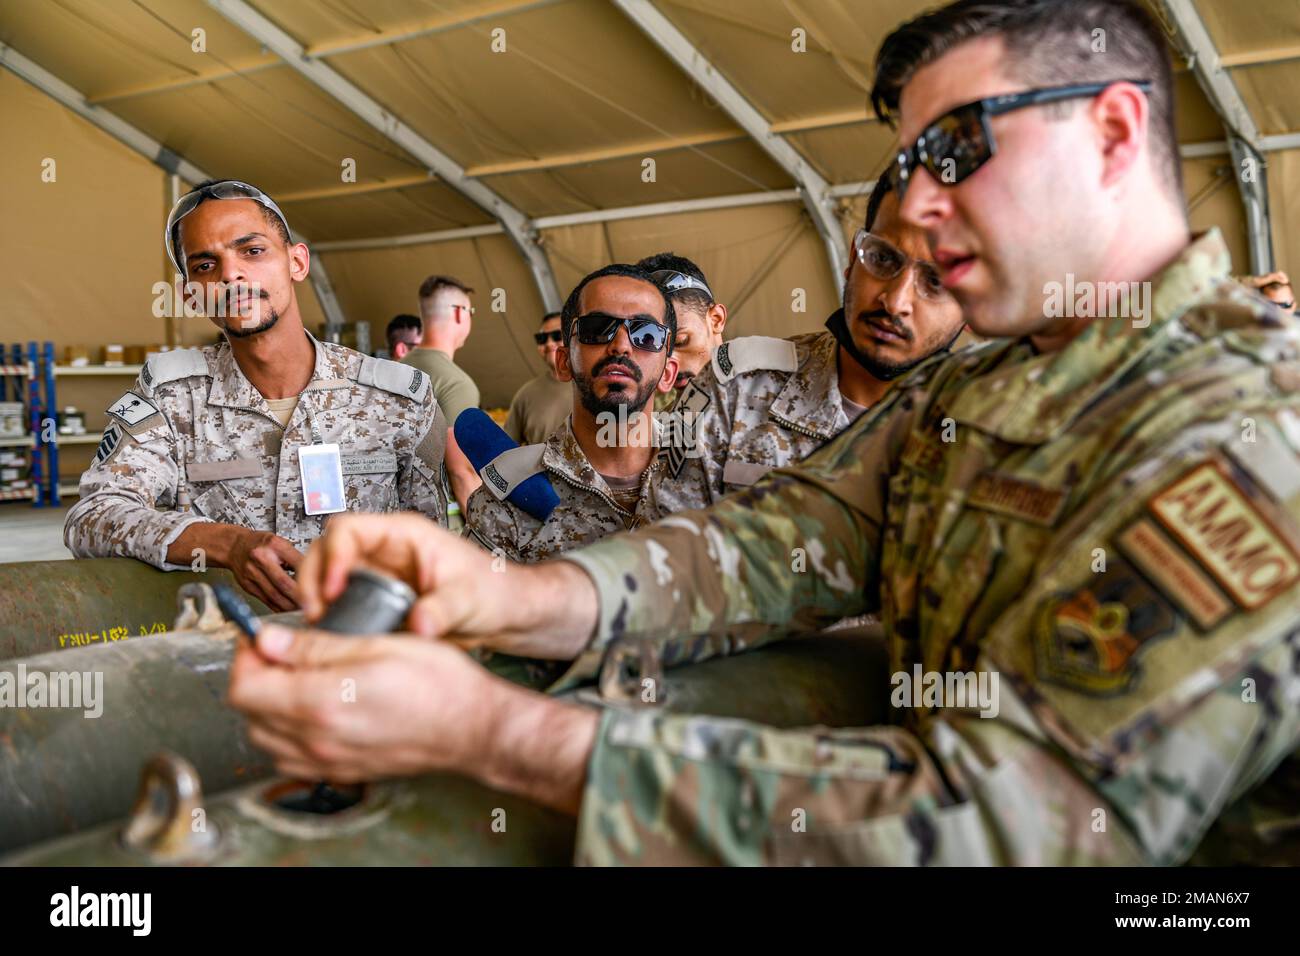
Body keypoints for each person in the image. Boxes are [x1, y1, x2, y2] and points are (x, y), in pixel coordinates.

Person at [229, 0, 1300, 866]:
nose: (916, 206)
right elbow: (776, 535)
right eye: (906, 161)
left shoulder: (1252, 430)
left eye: (956, 148)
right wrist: (515, 594)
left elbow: (1017, 830)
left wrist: (497, 734)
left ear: (1111, 129)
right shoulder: (990, 380)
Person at [64, 179, 447, 612]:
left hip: (360, 650)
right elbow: (93, 518)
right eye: (206, 265)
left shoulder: (396, 400)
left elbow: (431, 549)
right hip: (232, 658)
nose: (230, 275)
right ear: (192, 295)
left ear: (297, 262)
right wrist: (226, 544)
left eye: (252, 251)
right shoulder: (170, 398)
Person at [657, 173, 965, 511]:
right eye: (882, 259)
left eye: (935, 280)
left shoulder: (989, 427)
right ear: (853, 258)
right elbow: (663, 546)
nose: (895, 302)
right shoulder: (736, 388)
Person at [464, 265, 678, 563]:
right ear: (563, 362)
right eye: (596, 328)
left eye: (645, 334)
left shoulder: (705, 476)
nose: (620, 346)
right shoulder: (508, 501)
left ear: (668, 373)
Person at [401, 274, 481, 516]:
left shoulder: (392, 370)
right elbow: (461, 473)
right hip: (440, 527)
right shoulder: (456, 384)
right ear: (459, 314)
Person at [632, 253, 727, 412]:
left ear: (716, 319)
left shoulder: (772, 387)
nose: (668, 363)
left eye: (680, 342)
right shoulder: (662, 428)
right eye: (656, 347)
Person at [502, 311, 571, 445]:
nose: (549, 343)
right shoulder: (525, 394)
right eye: (542, 338)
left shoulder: (593, 387)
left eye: (557, 336)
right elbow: (507, 448)